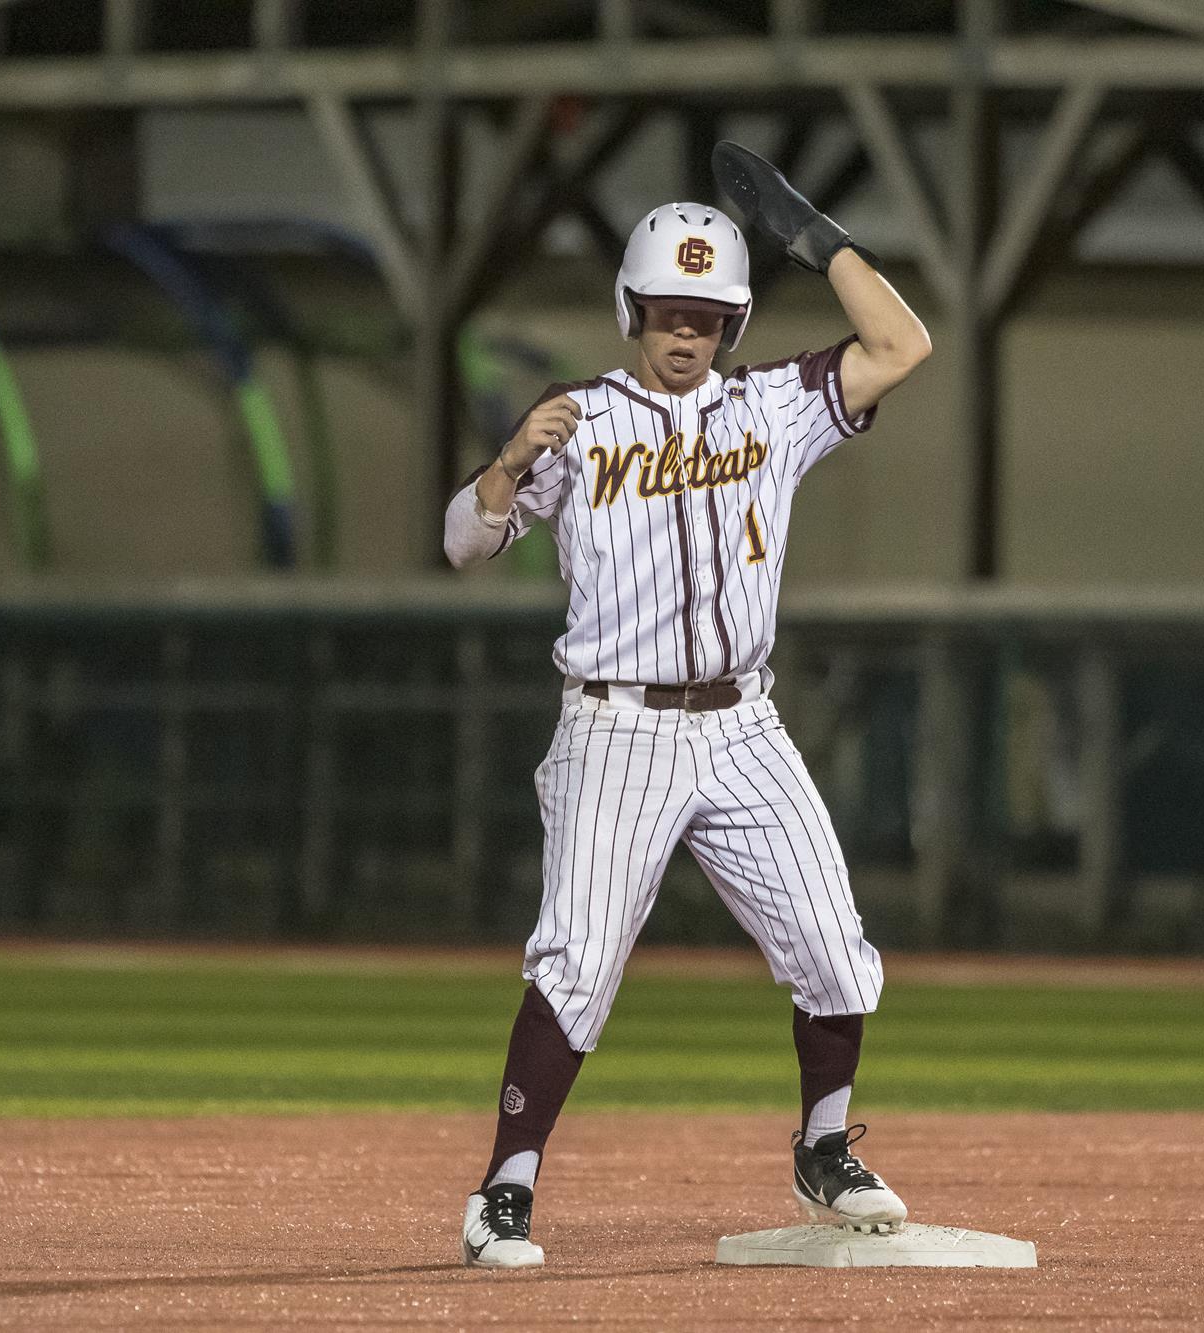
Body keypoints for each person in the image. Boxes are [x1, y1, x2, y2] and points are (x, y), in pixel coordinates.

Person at [442, 142, 932, 1269]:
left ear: (733, 323)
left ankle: (823, 1148)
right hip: (615, 726)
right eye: (668, 313)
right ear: (633, 311)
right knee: (576, 963)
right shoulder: (578, 417)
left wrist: (813, 236)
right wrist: (507, 462)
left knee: (833, 947)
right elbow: (463, 543)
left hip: (742, 723)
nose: (686, 335)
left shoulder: (773, 408)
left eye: (707, 318)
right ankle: (502, 1192)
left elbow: (902, 345)